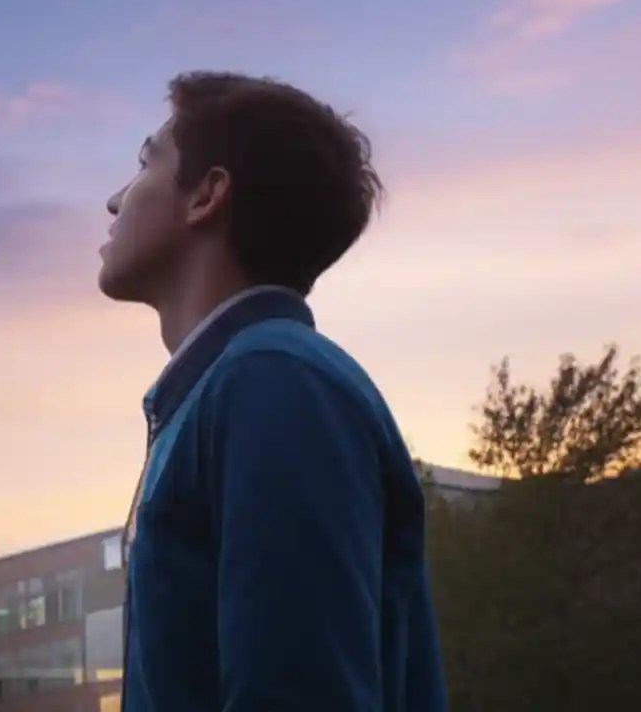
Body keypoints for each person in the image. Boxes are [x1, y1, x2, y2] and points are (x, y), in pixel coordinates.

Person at [98, 72, 448, 711]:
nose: (114, 200)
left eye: (146, 161)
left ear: (207, 195)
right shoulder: (232, 390)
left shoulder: (275, 384)